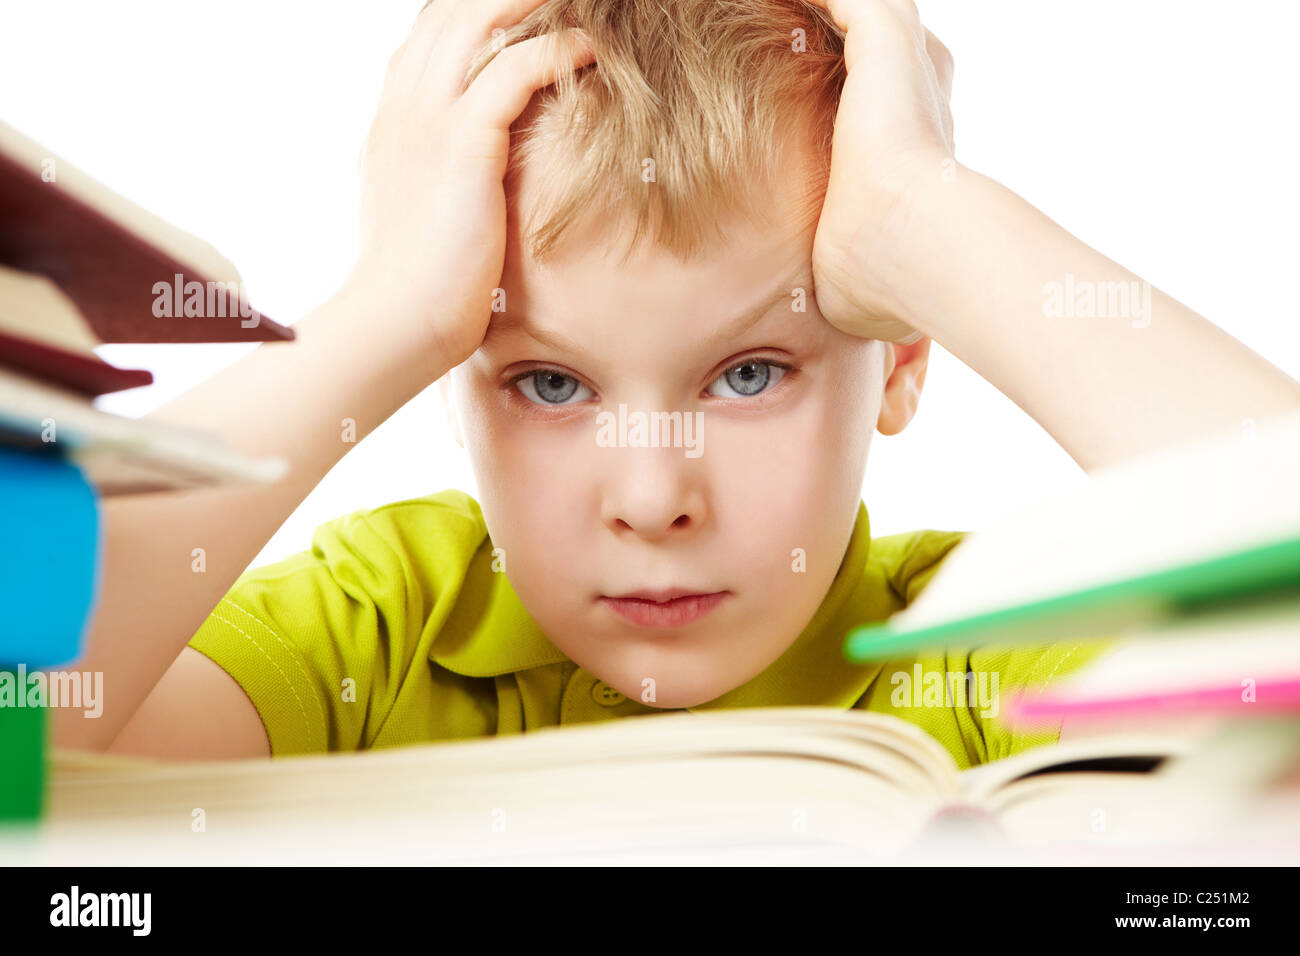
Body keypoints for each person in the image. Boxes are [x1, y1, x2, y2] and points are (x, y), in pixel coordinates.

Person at [60, 0, 1300, 765]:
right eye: (548, 383)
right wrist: (381, 313)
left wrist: (927, 224)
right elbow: (28, 718)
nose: (652, 498)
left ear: (902, 357)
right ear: (450, 374)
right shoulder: (384, 631)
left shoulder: (970, 644)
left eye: (749, 370)